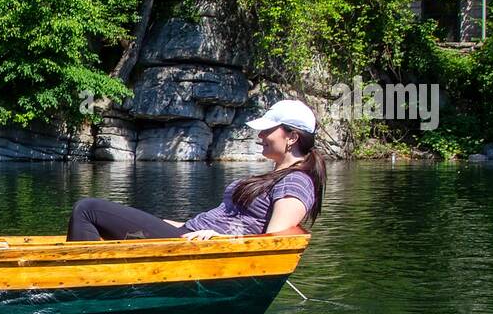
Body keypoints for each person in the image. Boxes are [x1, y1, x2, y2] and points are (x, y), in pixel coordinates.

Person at [66, 100, 325, 242]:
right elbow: (229, 219)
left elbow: (274, 241)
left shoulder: (296, 182)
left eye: (268, 130)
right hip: (187, 234)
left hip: (197, 247)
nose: (260, 135)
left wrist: (219, 239)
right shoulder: (276, 175)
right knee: (93, 216)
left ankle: (77, 291)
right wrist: (175, 224)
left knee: (88, 210)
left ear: (292, 136)